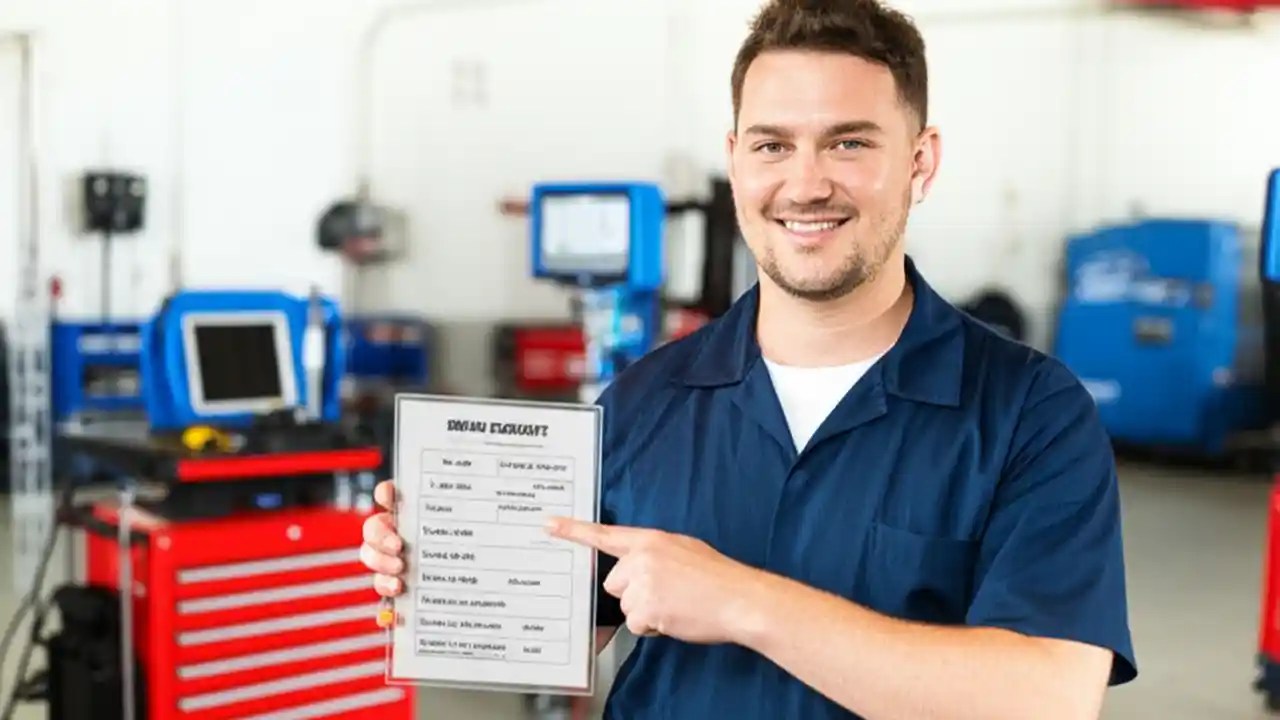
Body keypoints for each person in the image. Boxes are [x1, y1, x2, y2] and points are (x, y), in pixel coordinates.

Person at [359, 0, 1138, 717]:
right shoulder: (641, 400)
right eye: (773, 145)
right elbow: (567, 635)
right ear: (737, 161)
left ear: (920, 162)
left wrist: (742, 602)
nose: (805, 183)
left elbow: (1048, 697)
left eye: (849, 143)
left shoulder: (1030, 414)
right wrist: (443, 568)